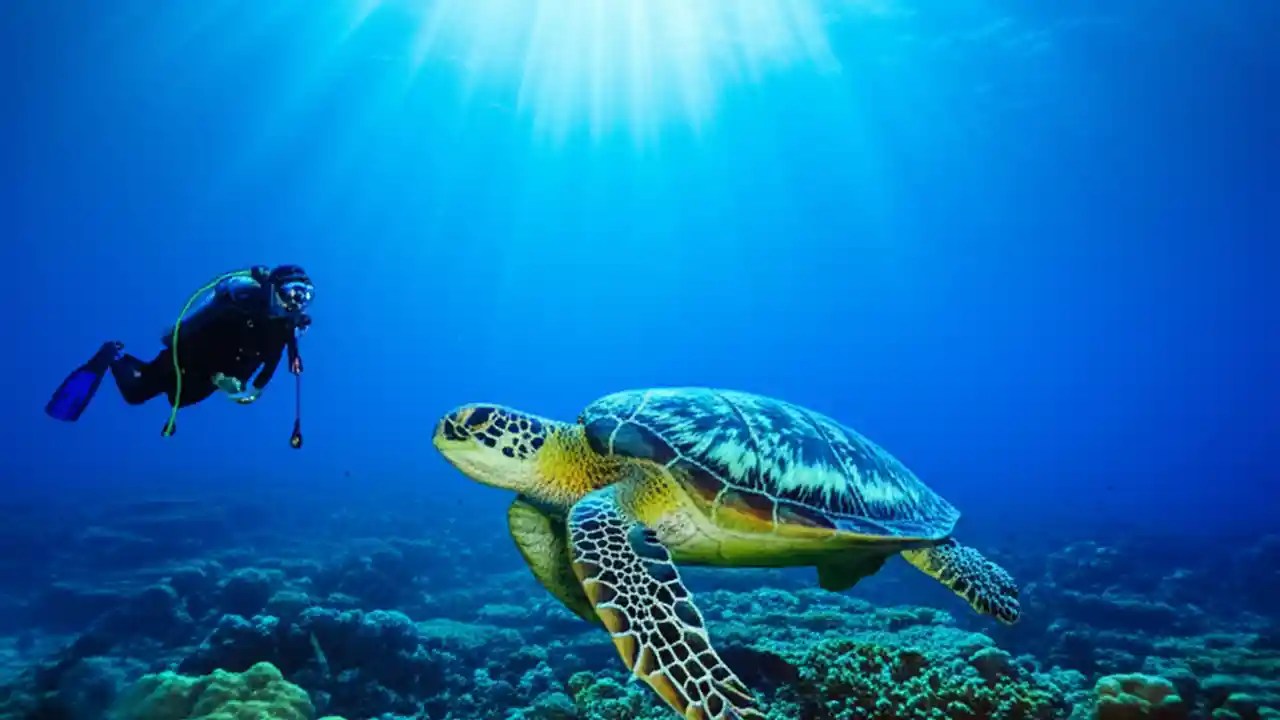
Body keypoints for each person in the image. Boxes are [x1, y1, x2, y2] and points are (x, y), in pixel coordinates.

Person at [45, 265, 314, 439]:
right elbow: (198, 341)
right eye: (292, 292)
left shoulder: (284, 328)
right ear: (271, 289)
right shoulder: (237, 309)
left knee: (178, 400)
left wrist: (253, 390)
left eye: (306, 295)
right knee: (136, 394)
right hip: (183, 362)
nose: (297, 301)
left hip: (210, 381)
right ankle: (112, 355)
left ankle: (127, 361)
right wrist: (219, 377)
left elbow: (274, 360)